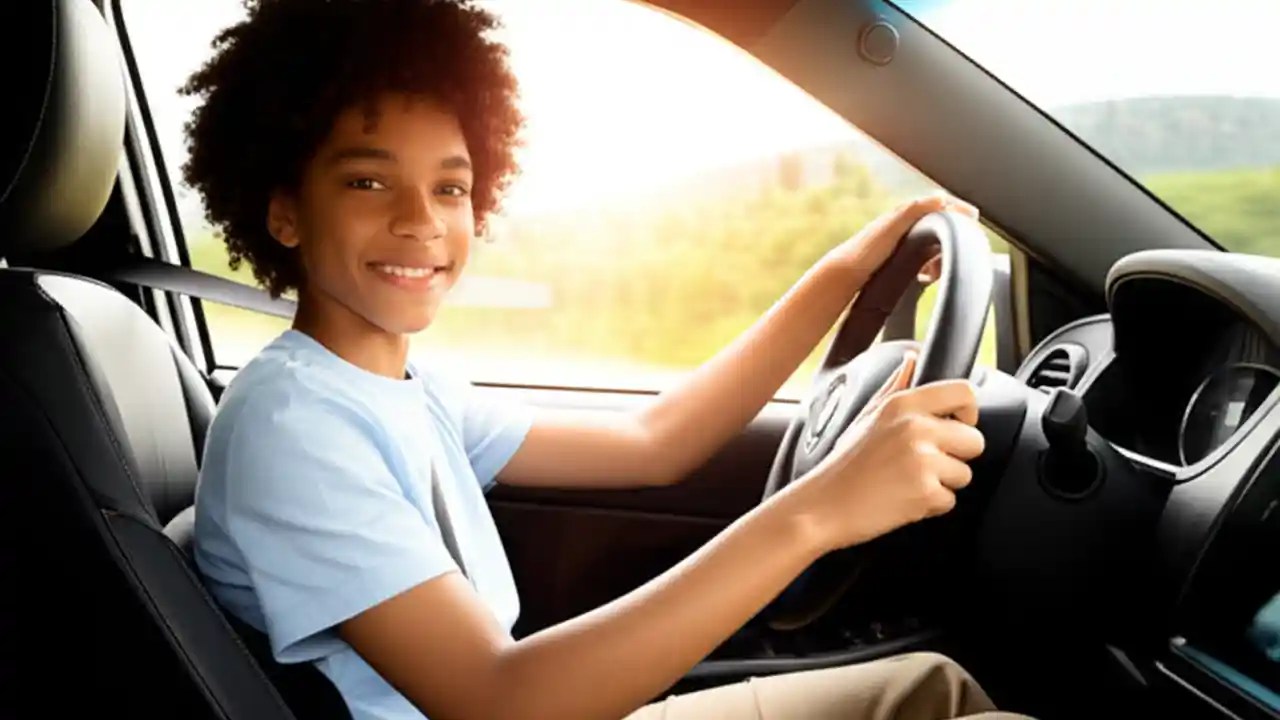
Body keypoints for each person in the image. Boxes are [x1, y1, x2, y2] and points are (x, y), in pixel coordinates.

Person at [186, 1, 1032, 719]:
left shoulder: (405, 388)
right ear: (286, 213)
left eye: (450, 188)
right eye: (368, 184)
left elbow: (656, 442)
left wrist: (843, 274)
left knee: (932, 689)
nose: (421, 219)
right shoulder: (292, 427)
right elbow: (496, 700)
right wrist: (819, 512)